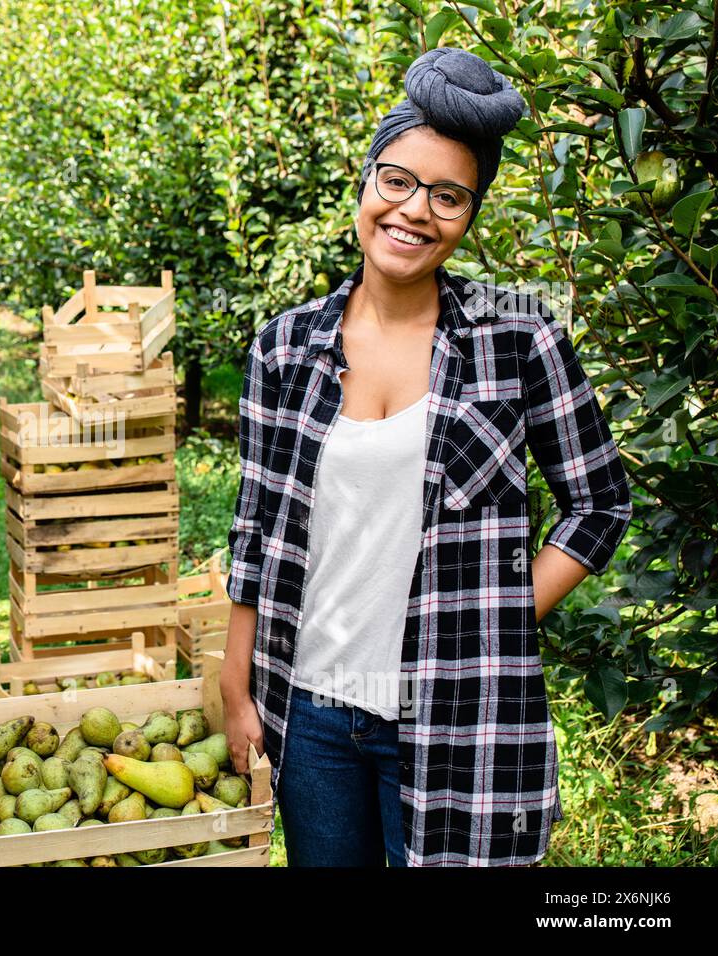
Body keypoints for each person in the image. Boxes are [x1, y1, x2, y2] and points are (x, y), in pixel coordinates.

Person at [221, 47, 633, 867]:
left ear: (470, 215)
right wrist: (238, 684)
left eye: (448, 196)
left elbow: (600, 503)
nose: (415, 211)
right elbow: (256, 525)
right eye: (398, 181)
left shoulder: (518, 336)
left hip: (460, 711)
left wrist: (504, 618)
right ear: (366, 183)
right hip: (312, 712)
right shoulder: (286, 347)